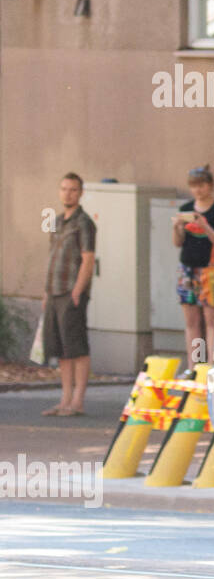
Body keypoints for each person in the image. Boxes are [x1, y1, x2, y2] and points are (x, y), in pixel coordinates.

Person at [41, 173, 97, 416]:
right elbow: (52, 255)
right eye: (64, 189)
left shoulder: (84, 223)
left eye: (73, 189)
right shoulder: (55, 220)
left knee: (76, 347)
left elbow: (88, 259)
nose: (68, 193)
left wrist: (78, 290)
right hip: (54, 290)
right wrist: (45, 291)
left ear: (80, 193)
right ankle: (64, 400)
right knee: (61, 349)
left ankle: (78, 401)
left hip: (71, 292)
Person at [171, 165, 214, 368]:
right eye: (193, 186)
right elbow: (178, 242)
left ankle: (213, 367)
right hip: (188, 268)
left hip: (211, 271)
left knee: (211, 320)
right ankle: (195, 365)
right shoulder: (186, 209)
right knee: (192, 322)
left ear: (210, 186)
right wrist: (177, 228)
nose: (197, 190)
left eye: (201, 185)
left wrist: (205, 225)